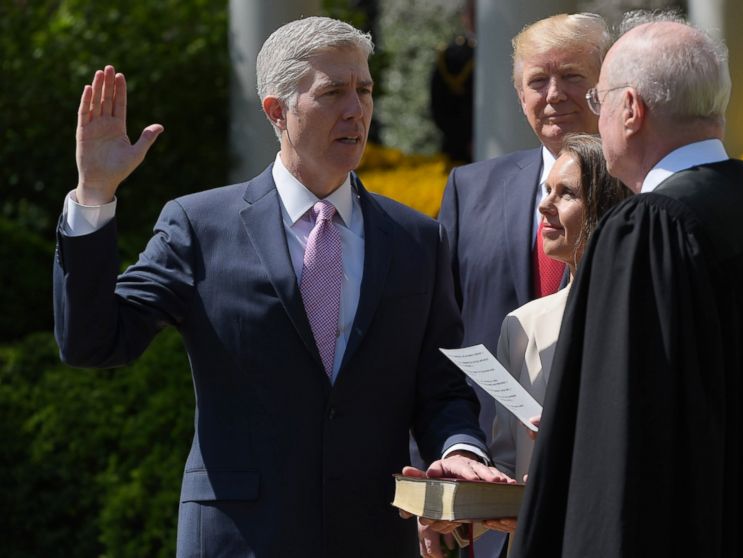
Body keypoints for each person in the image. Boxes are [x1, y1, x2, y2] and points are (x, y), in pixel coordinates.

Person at [53, 17, 506, 557]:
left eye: (363, 89)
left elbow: (442, 388)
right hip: (238, 539)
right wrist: (94, 195)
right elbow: (94, 342)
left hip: (373, 536)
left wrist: (459, 448)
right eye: (333, 92)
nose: (356, 109)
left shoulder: (418, 239)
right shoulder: (200, 225)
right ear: (277, 111)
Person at [513, 12, 743, 558]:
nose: (594, 120)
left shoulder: (648, 229)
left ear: (630, 110)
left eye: (599, 102)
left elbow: (625, 447)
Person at [434, 13, 609, 558]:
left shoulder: (643, 198)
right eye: (538, 81)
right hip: (487, 501)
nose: (554, 95)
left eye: (574, 77)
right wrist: (448, 466)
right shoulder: (469, 189)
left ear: (609, 87)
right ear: (518, 94)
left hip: (600, 500)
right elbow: (438, 340)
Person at [486, 133, 630, 540]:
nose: (544, 205)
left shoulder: (644, 316)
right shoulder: (522, 325)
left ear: (606, 205)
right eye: (547, 189)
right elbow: (508, 465)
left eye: (566, 193)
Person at [430, 0, 475, 163]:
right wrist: (464, 140)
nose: (475, 16)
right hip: (458, 149)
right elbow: (440, 104)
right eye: (471, 11)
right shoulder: (452, 55)